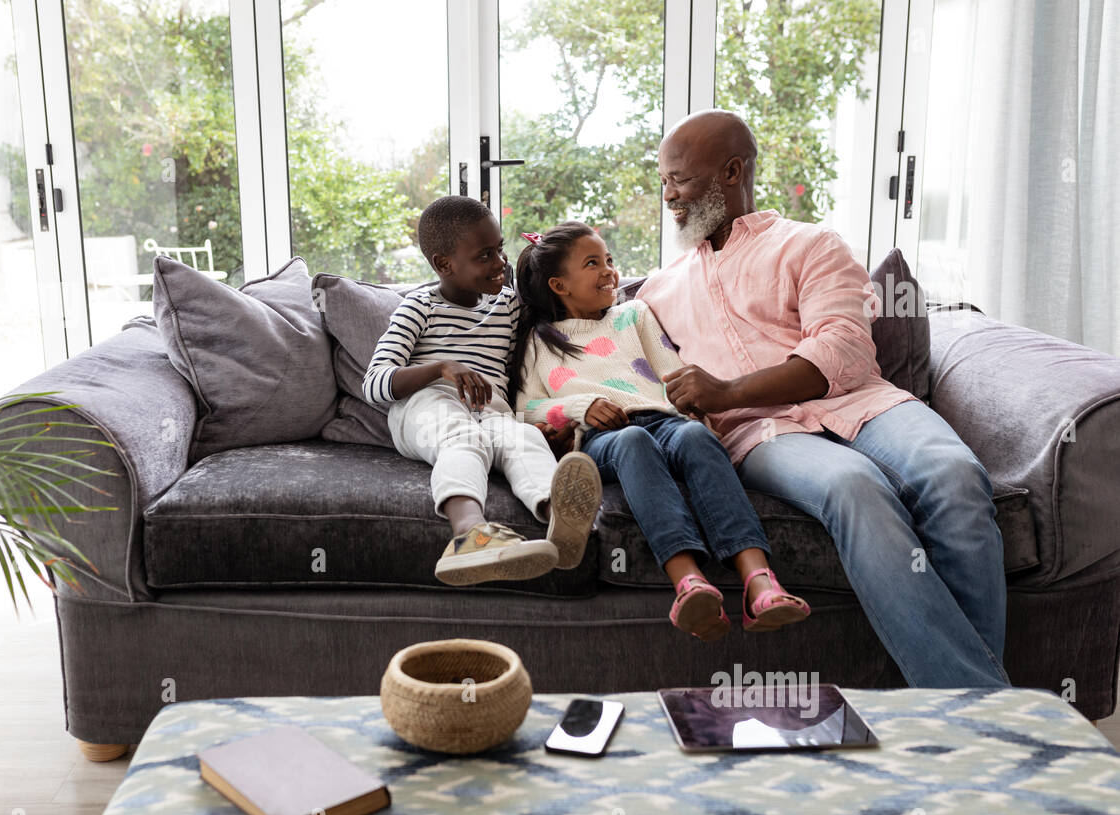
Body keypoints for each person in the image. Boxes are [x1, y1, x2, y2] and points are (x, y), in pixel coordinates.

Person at [640, 108, 1009, 687]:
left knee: (956, 474)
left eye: (678, 179)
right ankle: (987, 714)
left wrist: (728, 389)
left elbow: (843, 349)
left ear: (732, 171)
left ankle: (966, 715)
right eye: (662, 181)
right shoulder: (657, 292)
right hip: (764, 435)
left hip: (865, 404)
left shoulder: (809, 244)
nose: (668, 195)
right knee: (854, 487)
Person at [510, 221, 810, 640]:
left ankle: (760, 582)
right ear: (560, 285)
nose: (609, 270)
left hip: (664, 420)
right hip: (605, 440)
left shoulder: (634, 314)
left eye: (610, 260)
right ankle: (688, 582)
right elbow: (525, 408)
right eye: (593, 263)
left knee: (695, 437)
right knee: (633, 440)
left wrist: (697, 418)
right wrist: (580, 407)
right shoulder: (541, 342)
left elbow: (674, 376)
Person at [362, 196, 603, 587]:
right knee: (463, 435)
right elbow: (374, 384)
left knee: (522, 435)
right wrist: (442, 368)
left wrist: (544, 421)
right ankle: (469, 536)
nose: (500, 264)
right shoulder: (418, 307)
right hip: (426, 405)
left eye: (501, 250)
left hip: (490, 409)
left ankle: (560, 523)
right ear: (444, 264)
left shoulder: (506, 307)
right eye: (485, 256)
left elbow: (523, 369)